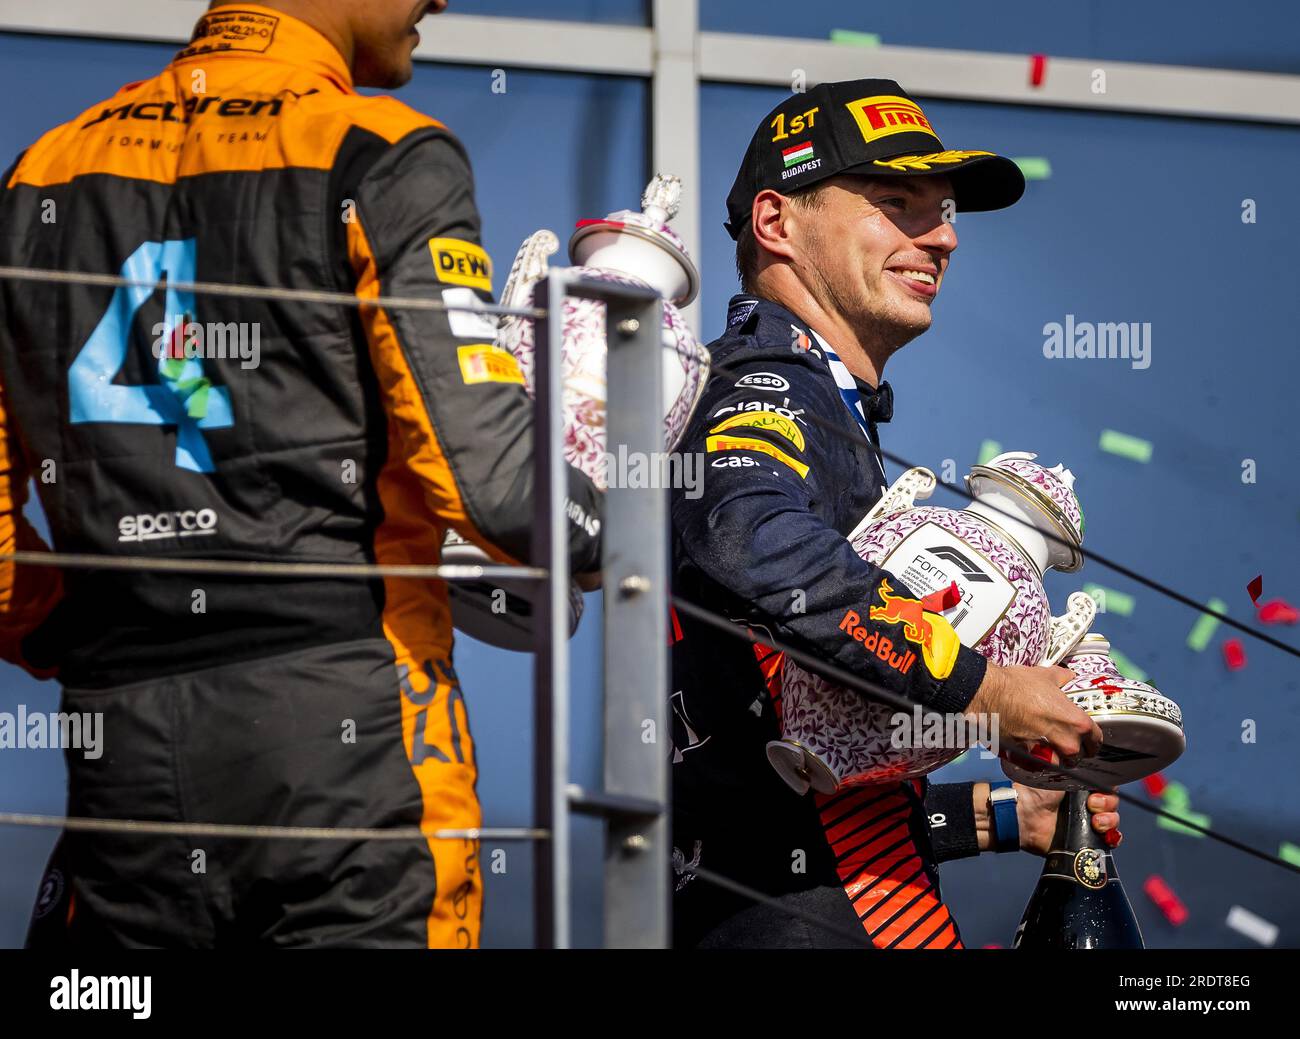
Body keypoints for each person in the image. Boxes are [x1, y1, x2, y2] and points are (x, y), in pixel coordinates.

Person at [0, 0, 602, 948]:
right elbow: (501, 494)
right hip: (347, 727)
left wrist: (79, 629)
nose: (437, 0)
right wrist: (623, 520)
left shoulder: (41, 172)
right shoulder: (380, 148)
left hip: (120, 740)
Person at [670, 79, 1120, 949]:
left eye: (943, 211)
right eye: (896, 203)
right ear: (777, 223)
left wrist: (996, 813)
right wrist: (992, 693)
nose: (943, 235)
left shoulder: (813, 398)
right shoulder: (765, 385)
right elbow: (764, 552)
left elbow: (790, 780)